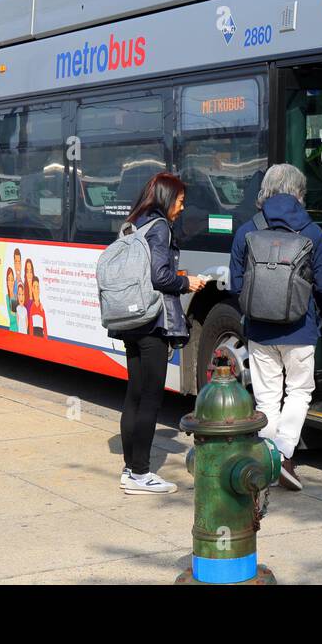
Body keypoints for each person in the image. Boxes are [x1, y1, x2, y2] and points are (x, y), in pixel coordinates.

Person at [229, 163, 322, 491]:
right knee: (300, 392)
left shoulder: (247, 229)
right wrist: (312, 307)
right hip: (300, 328)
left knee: (267, 399)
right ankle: (284, 455)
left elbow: (237, 285)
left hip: (260, 331)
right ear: (298, 193)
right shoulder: (312, 231)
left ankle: (268, 459)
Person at [109, 172, 207, 495]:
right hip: (152, 322)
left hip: (130, 320)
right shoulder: (161, 228)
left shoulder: (136, 222)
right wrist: (187, 283)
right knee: (151, 396)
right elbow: (159, 276)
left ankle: (129, 469)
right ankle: (140, 473)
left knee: (134, 393)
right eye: (180, 200)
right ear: (167, 199)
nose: (182, 207)